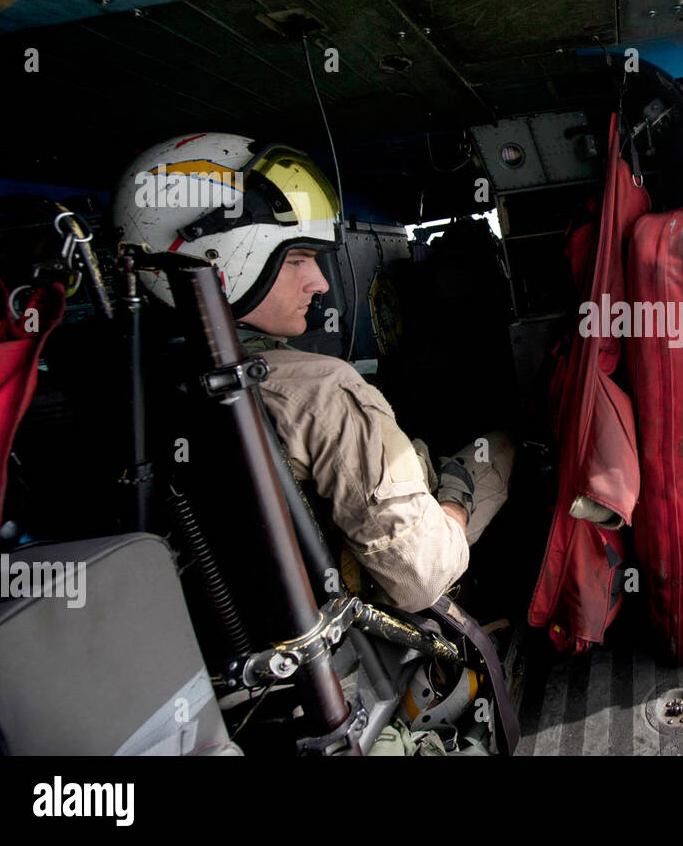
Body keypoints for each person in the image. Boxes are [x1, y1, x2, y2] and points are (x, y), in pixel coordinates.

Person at [112, 132, 513, 612]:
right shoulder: (321, 389)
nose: (320, 283)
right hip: (368, 604)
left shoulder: (138, 381)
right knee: (505, 445)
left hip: (243, 609)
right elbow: (421, 575)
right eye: (297, 259)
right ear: (221, 261)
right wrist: (453, 501)